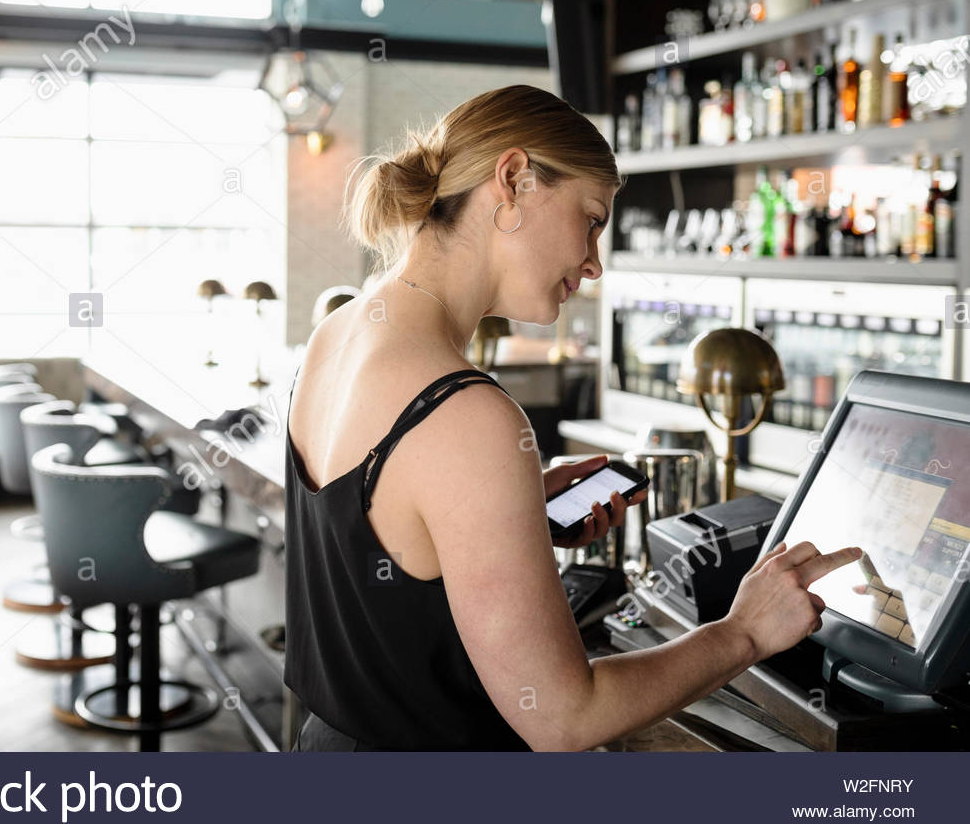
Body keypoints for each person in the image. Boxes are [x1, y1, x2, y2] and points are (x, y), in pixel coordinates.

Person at [284, 85, 862, 751]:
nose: (593, 262)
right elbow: (565, 717)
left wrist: (504, 518)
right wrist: (745, 633)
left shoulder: (337, 333)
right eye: (591, 218)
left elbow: (379, 553)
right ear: (514, 180)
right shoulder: (466, 415)